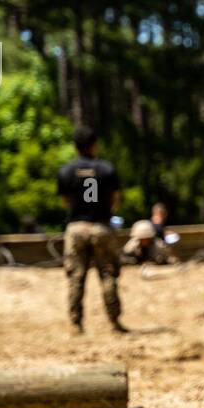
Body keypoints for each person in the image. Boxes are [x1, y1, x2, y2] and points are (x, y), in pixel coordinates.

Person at [56, 126, 126, 334]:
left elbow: (66, 201)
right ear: (94, 144)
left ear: (75, 147)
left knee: (76, 277)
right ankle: (114, 321)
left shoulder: (66, 170)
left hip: (76, 227)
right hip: (101, 226)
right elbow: (115, 200)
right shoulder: (106, 169)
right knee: (108, 274)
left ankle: (76, 323)